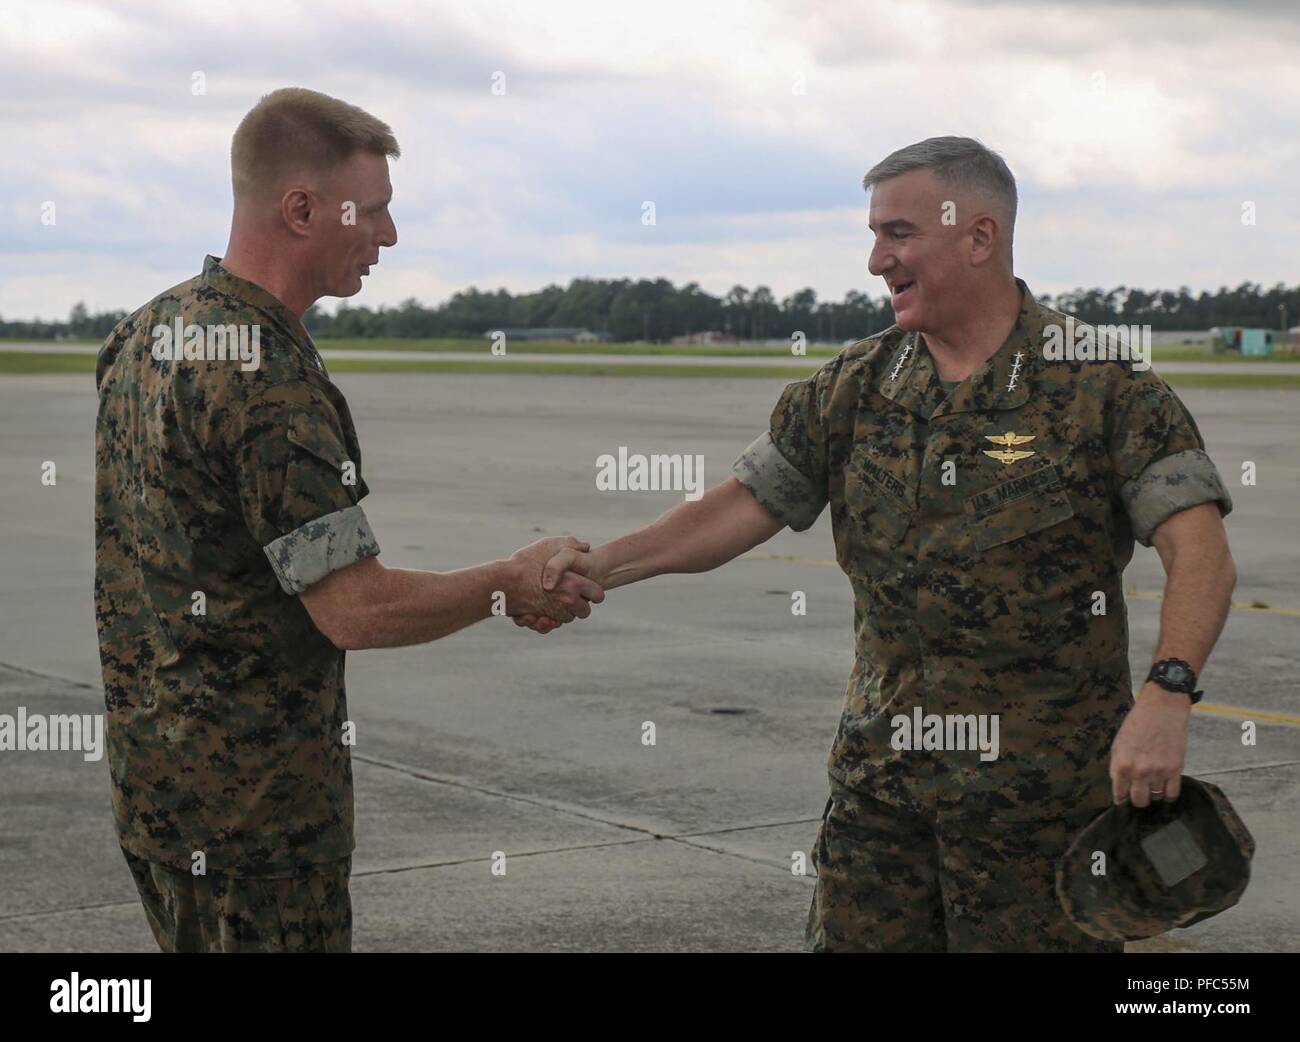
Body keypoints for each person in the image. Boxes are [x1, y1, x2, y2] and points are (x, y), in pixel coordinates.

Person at [528, 136, 1236, 952]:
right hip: (882, 806)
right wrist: (604, 564)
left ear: (979, 237)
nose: (875, 260)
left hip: (1041, 818)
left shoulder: (1103, 388)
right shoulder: (854, 387)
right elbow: (740, 505)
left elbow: (1201, 553)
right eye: (874, 235)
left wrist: (1167, 694)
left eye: (898, 234)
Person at [94, 87, 602, 953]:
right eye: (373, 212)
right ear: (302, 210)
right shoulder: (266, 378)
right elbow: (354, 608)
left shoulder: (147, 334)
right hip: (259, 823)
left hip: (158, 793)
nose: (389, 237)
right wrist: (505, 583)